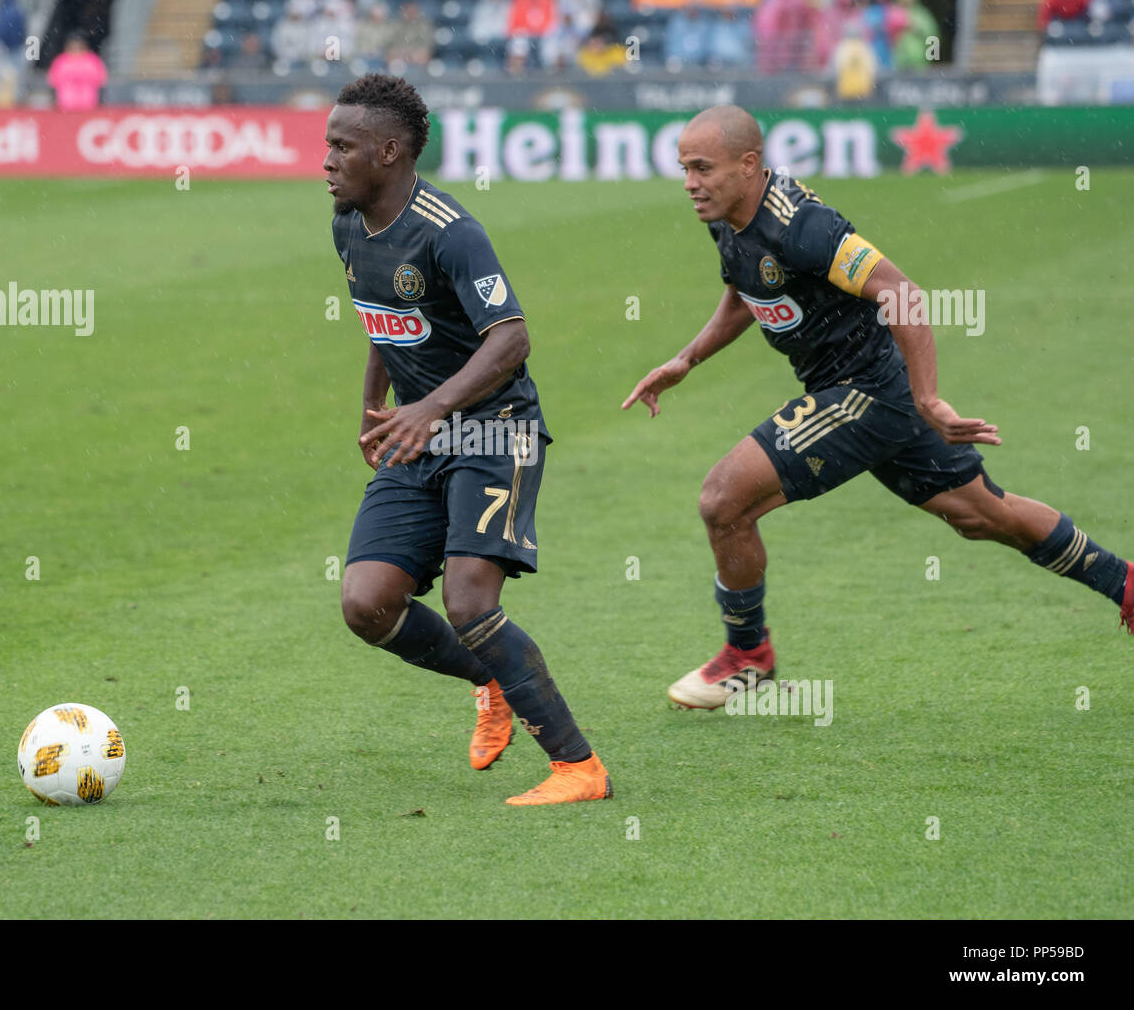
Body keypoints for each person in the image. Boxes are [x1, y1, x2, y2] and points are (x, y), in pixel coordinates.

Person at [621, 105, 1133, 709]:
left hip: (866, 393)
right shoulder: (726, 216)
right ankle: (1123, 583)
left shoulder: (803, 225)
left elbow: (901, 291)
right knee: (982, 515)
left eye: (702, 168)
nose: (689, 183)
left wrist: (928, 397)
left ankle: (746, 655)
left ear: (748, 164)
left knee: (723, 501)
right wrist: (688, 359)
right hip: (862, 392)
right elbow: (747, 287)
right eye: (684, 169)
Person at [325, 74, 611, 805]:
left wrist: (432, 409)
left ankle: (578, 768)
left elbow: (511, 337)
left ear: (388, 152)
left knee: (469, 601)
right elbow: (378, 315)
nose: (325, 159)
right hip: (420, 431)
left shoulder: (450, 230)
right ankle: (491, 680)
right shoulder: (348, 222)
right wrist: (374, 403)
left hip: (494, 428)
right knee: (366, 602)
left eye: (342, 146)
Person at [46, 33, 107, 110]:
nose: (76, 49)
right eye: (73, 46)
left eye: (79, 46)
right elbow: (52, 82)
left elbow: (101, 81)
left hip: (89, 106)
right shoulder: (60, 61)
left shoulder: (93, 61)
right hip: (65, 106)